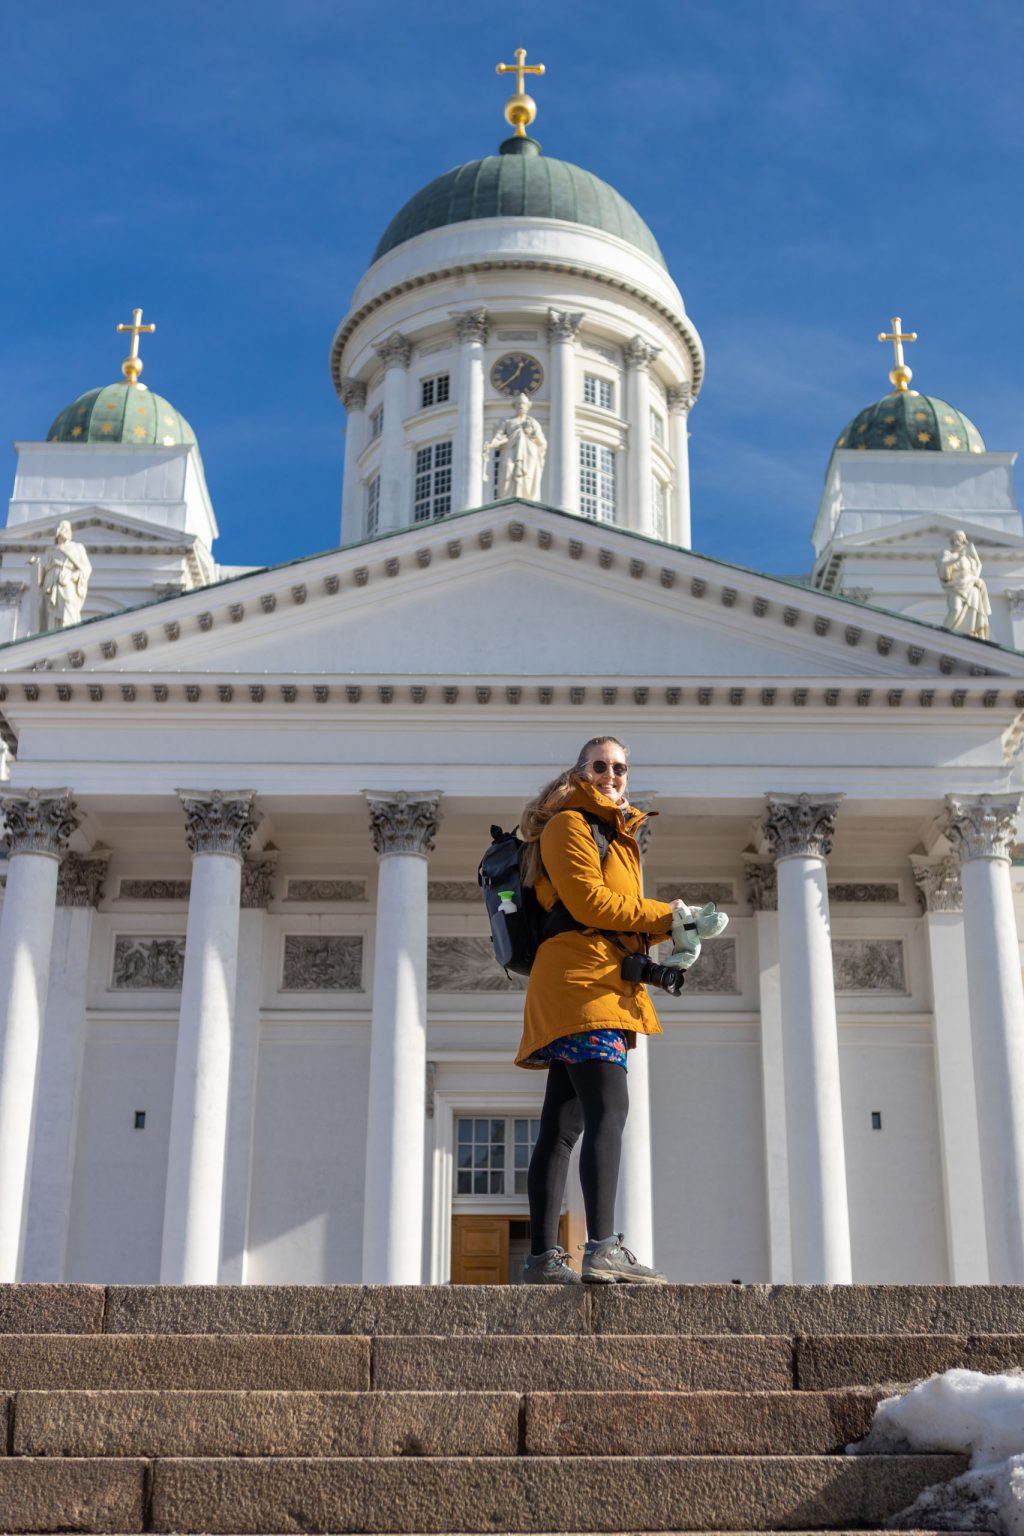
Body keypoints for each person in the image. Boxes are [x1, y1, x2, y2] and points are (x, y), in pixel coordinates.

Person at [514, 735, 683, 1284]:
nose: (612, 775)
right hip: (581, 984)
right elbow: (591, 904)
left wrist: (657, 952)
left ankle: (541, 1258)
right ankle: (603, 1247)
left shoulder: (616, 834)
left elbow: (614, 923)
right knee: (610, 1107)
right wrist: (668, 915)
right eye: (601, 766)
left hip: (594, 979)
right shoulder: (569, 825)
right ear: (580, 771)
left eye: (621, 768)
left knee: (563, 1125)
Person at [482, 392, 547, 501]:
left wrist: (530, 434)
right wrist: (490, 445)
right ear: (515, 406)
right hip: (510, 449)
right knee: (508, 469)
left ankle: (527, 498)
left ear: (528, 406)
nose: (521, 406)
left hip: (529, 452)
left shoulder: (533, 422)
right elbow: (498, 437)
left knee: (528, 476)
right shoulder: (507, 421)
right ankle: (506, 499)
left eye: (523, 404)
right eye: (519, 403)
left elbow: (542, 442)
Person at [34, 521, 92, 630]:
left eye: (68, 529)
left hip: (67, 581)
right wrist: (35, 565)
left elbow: (86, 568)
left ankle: (68, 633)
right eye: (64, 528)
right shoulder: (50, 550)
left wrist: (72, 576)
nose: (67, 531)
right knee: (50, 610)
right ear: (57, 532)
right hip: (50, 581)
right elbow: (42, 570)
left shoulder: (77, 547)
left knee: (68, 604)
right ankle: (50, 634)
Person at [938, 530, 991, 640]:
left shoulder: (969, 559)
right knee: (956, 609)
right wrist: (957, 558)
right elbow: (942, 567)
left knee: (973, 612)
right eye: (955, 539)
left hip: (971, 588)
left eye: (960, 539)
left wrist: (974, 555)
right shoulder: (947, 554)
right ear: (952, 541)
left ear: (963, 541)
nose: (957, 541)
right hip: (956, 588)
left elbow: (977, 568)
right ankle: (943, 637)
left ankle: (972, 634)